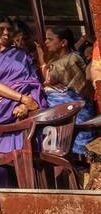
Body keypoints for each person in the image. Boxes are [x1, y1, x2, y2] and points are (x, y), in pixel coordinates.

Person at [0, 17, 45, 202]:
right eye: (1, 29)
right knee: (2, 156)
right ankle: (6, 202)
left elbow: (33, 81)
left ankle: (32, 199)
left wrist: (25, 104)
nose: (6, 33)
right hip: (0, 111)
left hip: (25, 111)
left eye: (9, 29)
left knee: (28, 151)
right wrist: (20, 98)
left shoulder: (20, 54)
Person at [41, 26, 97, 159]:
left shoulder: (71, 60)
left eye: (50, 39)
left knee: (81, 154)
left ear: (63, 42)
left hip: (78, 115)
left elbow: (82, 90)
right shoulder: (55, 61)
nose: (46, 42)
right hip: (60, 117)